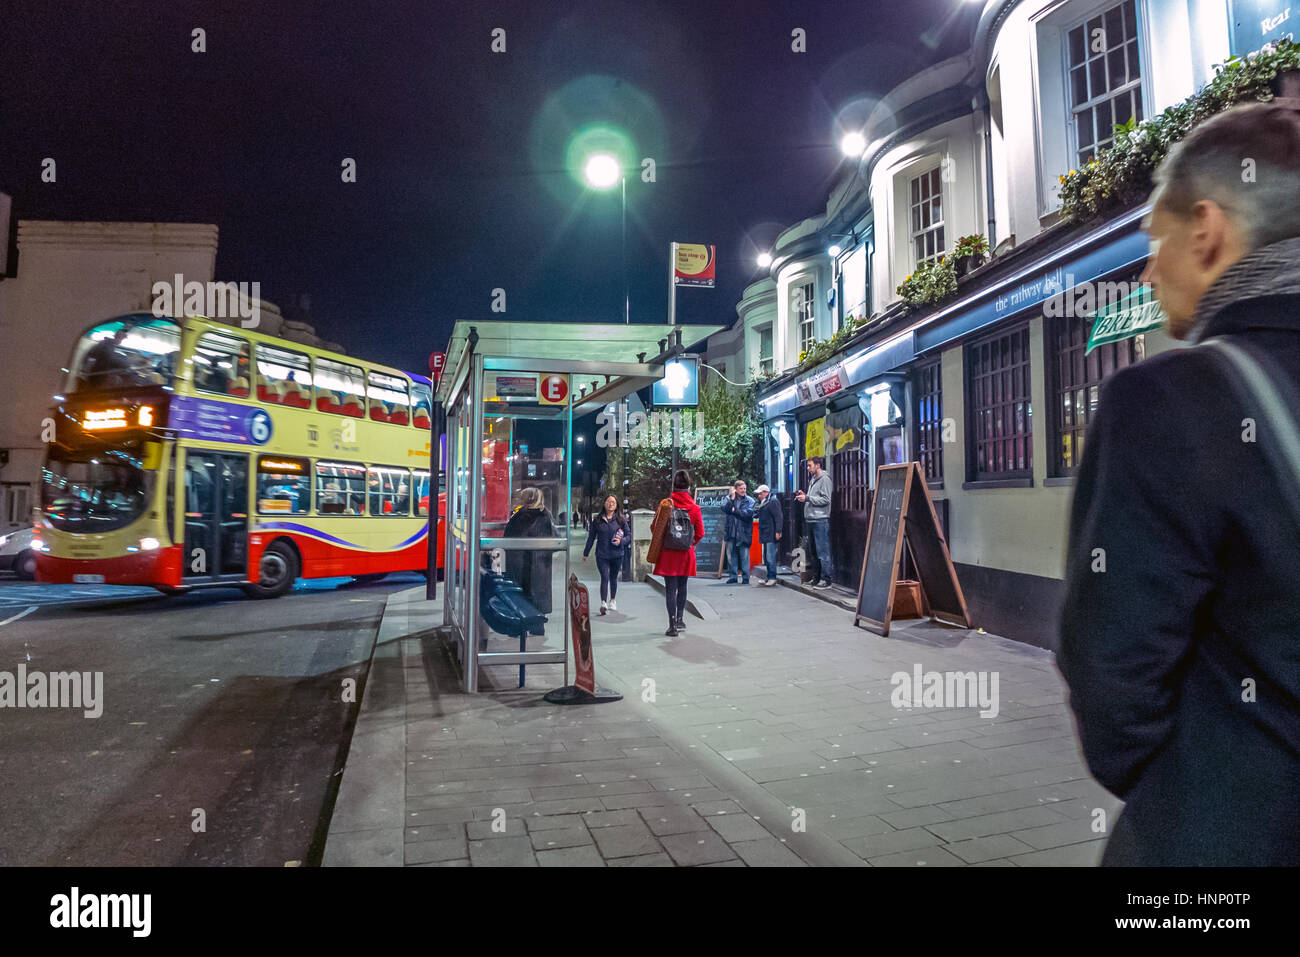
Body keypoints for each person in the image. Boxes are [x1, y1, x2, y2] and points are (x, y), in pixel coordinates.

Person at [1058, 102, 1300, 866]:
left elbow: (1111, 662)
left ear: (1207, 228)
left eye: (1156, 241)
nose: (1149, 270)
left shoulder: (1169, 399)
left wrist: (1181, 784)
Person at [652, 469, 704, 637]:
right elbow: (700, 532)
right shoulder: (695, 508)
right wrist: (688, 543)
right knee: (683, 587)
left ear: (673, 486)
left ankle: (672, 624)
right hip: (685, 554)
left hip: (668, 553)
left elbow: (655, 527)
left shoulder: (666, 504)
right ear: (689, 487)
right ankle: (681, 619)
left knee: (670, 589)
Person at [503, 486, 555, 615]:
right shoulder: (544, 515)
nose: (518, 499)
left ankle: (529, 627)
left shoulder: (522, 516)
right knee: (535, 599)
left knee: (524, 599)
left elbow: (509, 537)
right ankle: (536, 626)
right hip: (538, 567)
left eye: (521, 497)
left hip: (523, 565)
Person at [583, 494, 631, 615]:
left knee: (613, 578)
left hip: (617, 554)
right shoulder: (597, 520)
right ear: (604, 504)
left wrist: (622, 542)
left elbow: (628, 536)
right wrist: (586, 553)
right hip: (602, 554)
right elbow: (591, 537)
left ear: (616, 506)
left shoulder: (621, 519)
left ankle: (613, 600)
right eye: (609, 502)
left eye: (613, 503)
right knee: (604, 576)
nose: (611, 504)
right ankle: (603, 602)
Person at [795, 457, 833, 588]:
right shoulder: (813, 479)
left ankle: (826, 579)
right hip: (811, 518)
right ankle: (816, 578)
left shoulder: (825, 479)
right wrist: (805, 495)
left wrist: (807, 498)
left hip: (820, 519)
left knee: (823, 551)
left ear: (817, 465)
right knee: (814, 551)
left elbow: (826, 499)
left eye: (810, 465)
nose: (808, 468)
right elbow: (814, 498)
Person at [720, 478, 755, 584]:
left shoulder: (750, 500)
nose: (743, 490)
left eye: (744, 488)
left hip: (744, 532)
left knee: (744, 556)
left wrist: (734, 511)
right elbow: (724, 509)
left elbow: (746, 515)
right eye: (741, 489)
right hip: (731, 531)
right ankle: (733, 576)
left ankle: (745, 577)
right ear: (735, 489)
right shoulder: (728, 498)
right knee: (731, 555)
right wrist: (732, 499)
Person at [754, 484, 783, 586]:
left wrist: (778, 531)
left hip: (771, 532)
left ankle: (772, 577)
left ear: (766, 492)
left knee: (770, 556)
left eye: (760, 494)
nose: (759, 496)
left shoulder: (773, 501)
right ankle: (768, 576)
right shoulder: (766, 501)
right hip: (766, 532)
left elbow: (778, 517)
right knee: (766, 557)